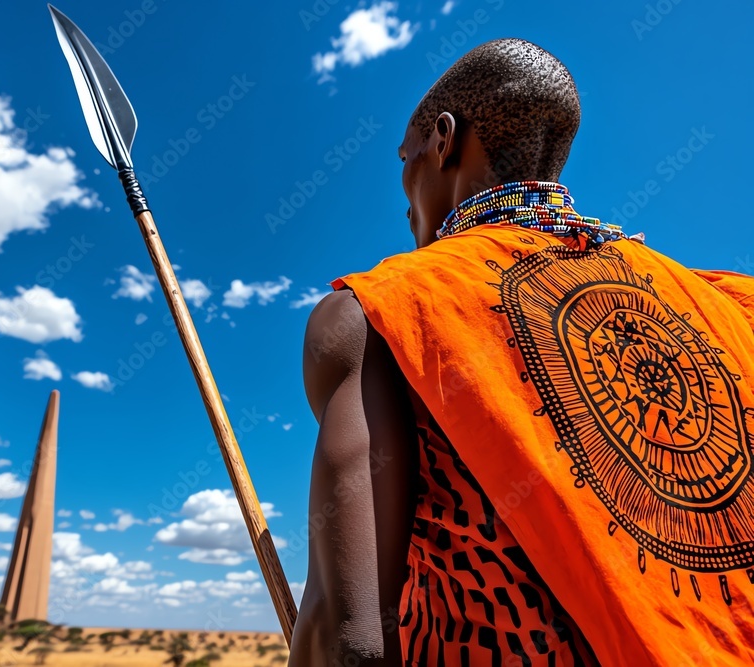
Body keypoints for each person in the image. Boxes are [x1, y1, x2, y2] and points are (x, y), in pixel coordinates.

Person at [288, 38, 754, 667]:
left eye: (406, 156)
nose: (403, 193)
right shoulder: (728, 303)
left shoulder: (381, 314)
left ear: (443, 141)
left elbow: (351, 643)